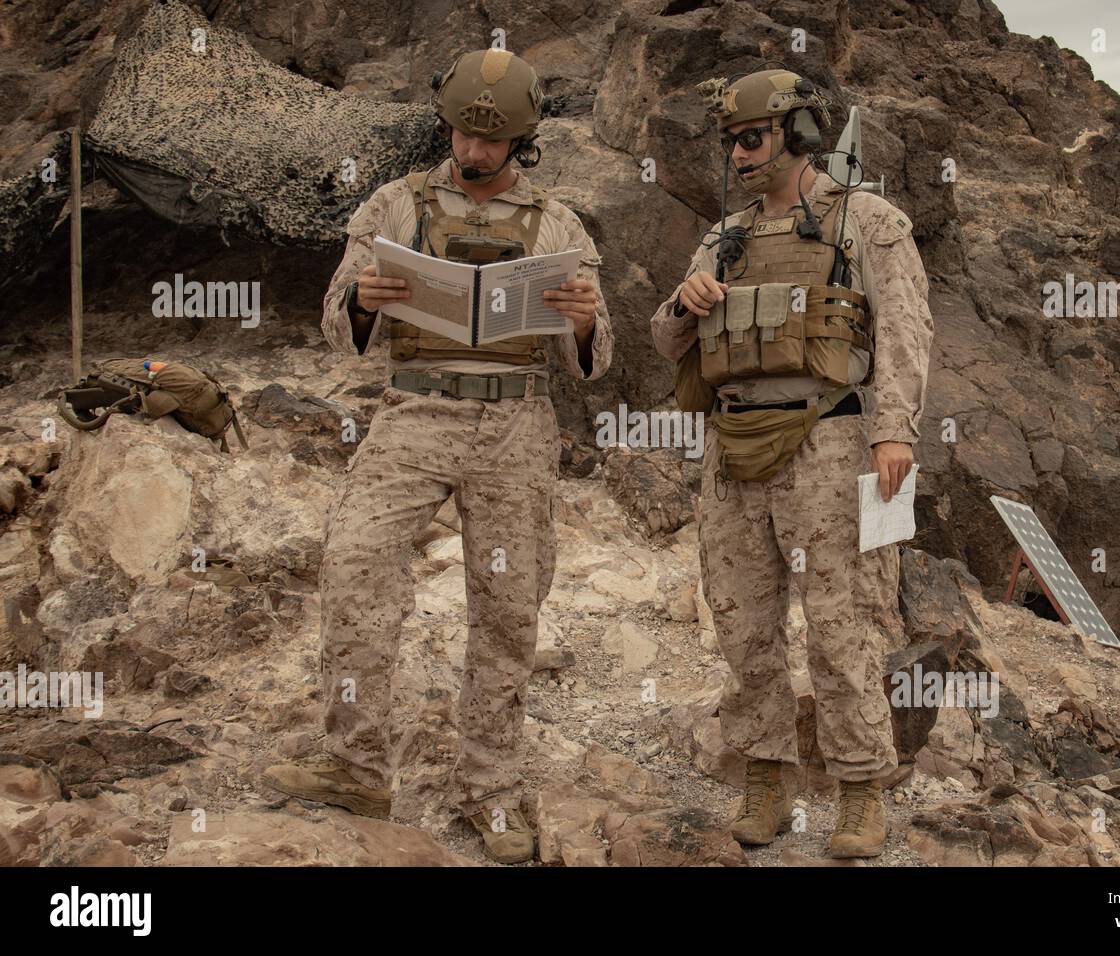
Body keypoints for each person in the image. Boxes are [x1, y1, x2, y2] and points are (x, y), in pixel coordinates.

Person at [264, 48, 612, 865]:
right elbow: (337, 333)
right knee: (353, 561)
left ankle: (491, 790)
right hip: (414, 411)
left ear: (522, 139)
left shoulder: (559, 223)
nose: (474, 151)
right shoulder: (393, 203)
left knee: (507, 606)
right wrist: (361, 301)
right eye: (462, 133)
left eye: (491, 141)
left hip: (516, 423)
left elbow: (594, 359)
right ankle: (354, 764)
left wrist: (587, 319)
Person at [649, 68, 933, 858]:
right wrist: (687, 303)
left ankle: (859, 793)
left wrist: (894, 433)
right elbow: (663, 340)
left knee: (844, 630)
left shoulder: (867, 223)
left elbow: (907, 332)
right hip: (735, 449)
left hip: (831, 444)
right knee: (744, 627)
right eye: (731, 142)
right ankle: (766, 784)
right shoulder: (725, 237)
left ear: (799, 134)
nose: (739, 155)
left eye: (752, 138)